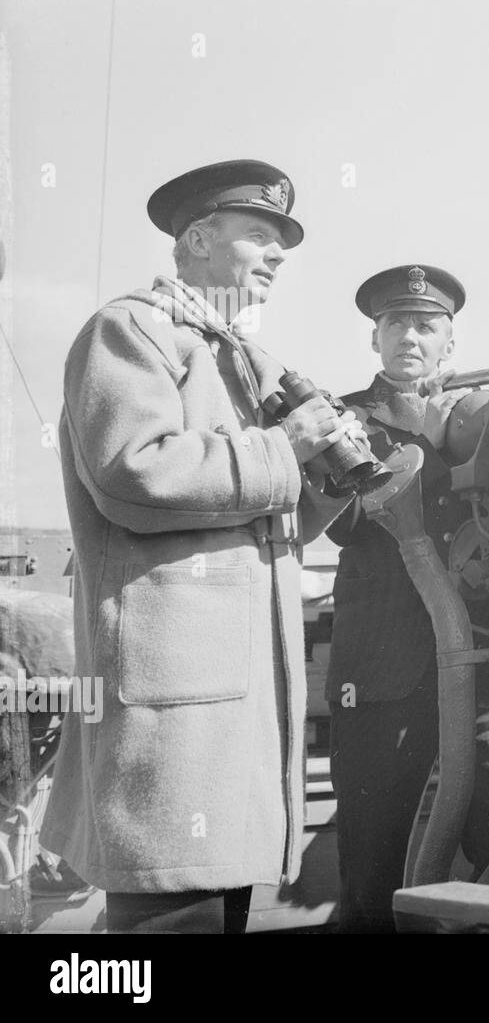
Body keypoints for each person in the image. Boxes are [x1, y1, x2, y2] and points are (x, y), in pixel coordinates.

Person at [43, 159, 359, 932]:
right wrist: (283, 447)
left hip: (236, 707)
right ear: (197, 240)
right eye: (259, 235)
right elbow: (135, 473)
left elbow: (264, 522)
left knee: (217, 905)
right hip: (177, 708)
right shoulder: (129, 331)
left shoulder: (242, 357)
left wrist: (330, 477)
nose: (278, 255)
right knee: (169, 913)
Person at [325, 264, 489, 933]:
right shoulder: (343, 421)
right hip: (385, 676)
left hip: (480, 673)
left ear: (449, 343)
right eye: (396, 324)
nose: (410, 337)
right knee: (373, 867)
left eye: (426, 326)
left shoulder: (480, 420)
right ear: (376, 338)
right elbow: (344, 519)